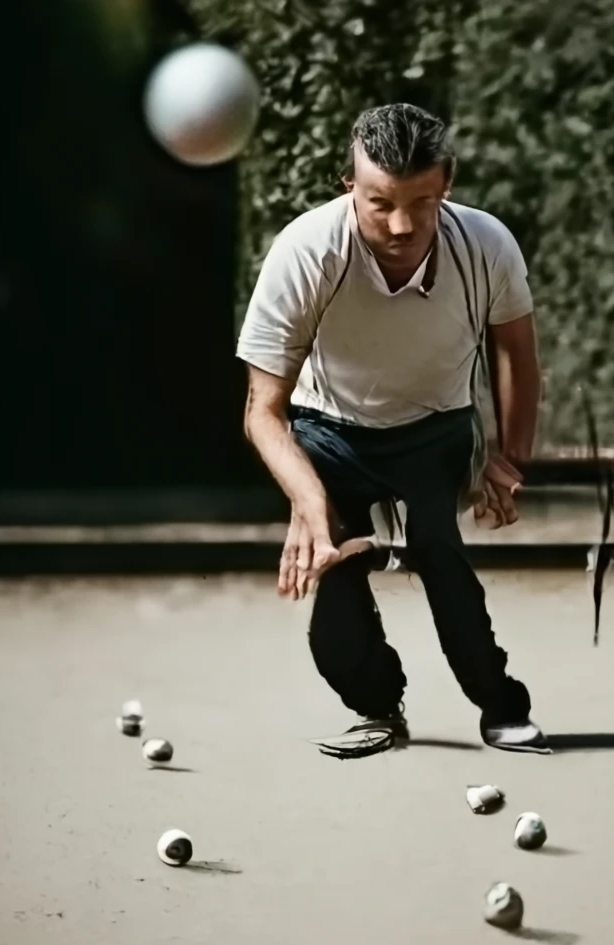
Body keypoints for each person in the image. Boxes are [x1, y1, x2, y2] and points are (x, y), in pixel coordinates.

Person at [237, 102, 549, 758]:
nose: (402, 225)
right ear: (348, 183)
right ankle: (378, 707)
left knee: (440, 553)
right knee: (337, 591)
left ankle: (501, 704)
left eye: (422, 202)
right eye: (380, 203)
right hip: (330, 434)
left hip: (437, 429)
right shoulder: (305, 251)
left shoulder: (486, 244)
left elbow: (516, 357)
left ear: (448, 185)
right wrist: (310, 503)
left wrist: (507, 461)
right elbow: (263, 411)